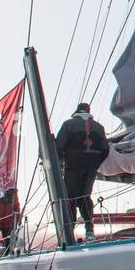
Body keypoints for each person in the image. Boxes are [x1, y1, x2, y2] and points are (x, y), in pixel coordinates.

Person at [55, 102, 110, 241]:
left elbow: (59, 146)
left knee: (70, 197)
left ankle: (68, 230)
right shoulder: (99, 127)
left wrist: (60, 162)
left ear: (77, 111)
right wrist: (95, 164)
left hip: (73, 165)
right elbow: (105, 149)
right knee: (85, 196)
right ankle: (89, 229)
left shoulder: (68, 124)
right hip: (90, 167)